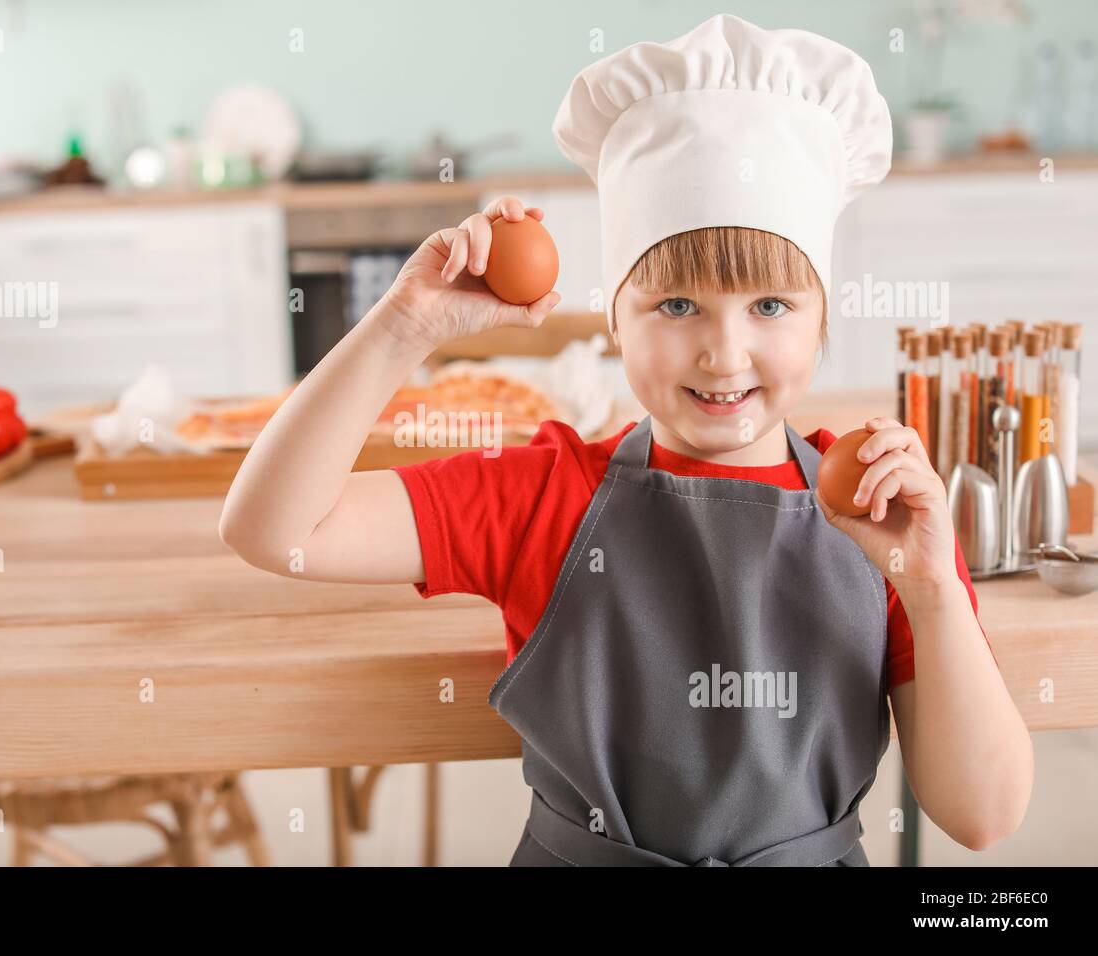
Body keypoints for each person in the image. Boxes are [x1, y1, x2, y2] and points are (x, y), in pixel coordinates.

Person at [220, 13, 1032, 866]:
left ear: (824, 316)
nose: (724, 352)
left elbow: (982, 815)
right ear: (616, 319)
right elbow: (275, 531)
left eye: (771, 306)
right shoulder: (546, 494)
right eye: (676, 305)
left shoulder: (880, 512)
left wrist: (932, 585)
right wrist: (403, 324)